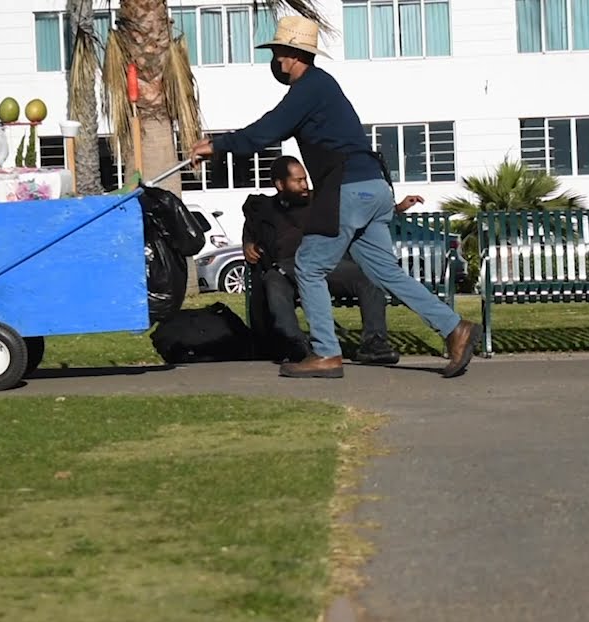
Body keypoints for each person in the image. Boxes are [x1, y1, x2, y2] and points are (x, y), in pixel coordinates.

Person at [190, 16, 475, 379]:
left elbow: (267, 129)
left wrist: (217, 145)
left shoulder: (309, 88)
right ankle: (454, 328)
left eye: (277, 53)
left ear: (289, 55)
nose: (274, 61)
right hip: (374, 187)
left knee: (308, 266)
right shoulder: (323, 87)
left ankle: (326, 353)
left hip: (347, 189)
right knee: (384, 271)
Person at [245, 155, 422, 365]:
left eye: (305, 179)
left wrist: (397, 208)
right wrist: (247, 243)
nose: (304, 185)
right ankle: (295, 345)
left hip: (326, 263)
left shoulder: (321, 200)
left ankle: (374, 344)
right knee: (274, 280)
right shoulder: (265, 208)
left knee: (368, 278)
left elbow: (360, 214)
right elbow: (251, 228)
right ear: (280, 184)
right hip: (287, 270)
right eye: (298, 180)